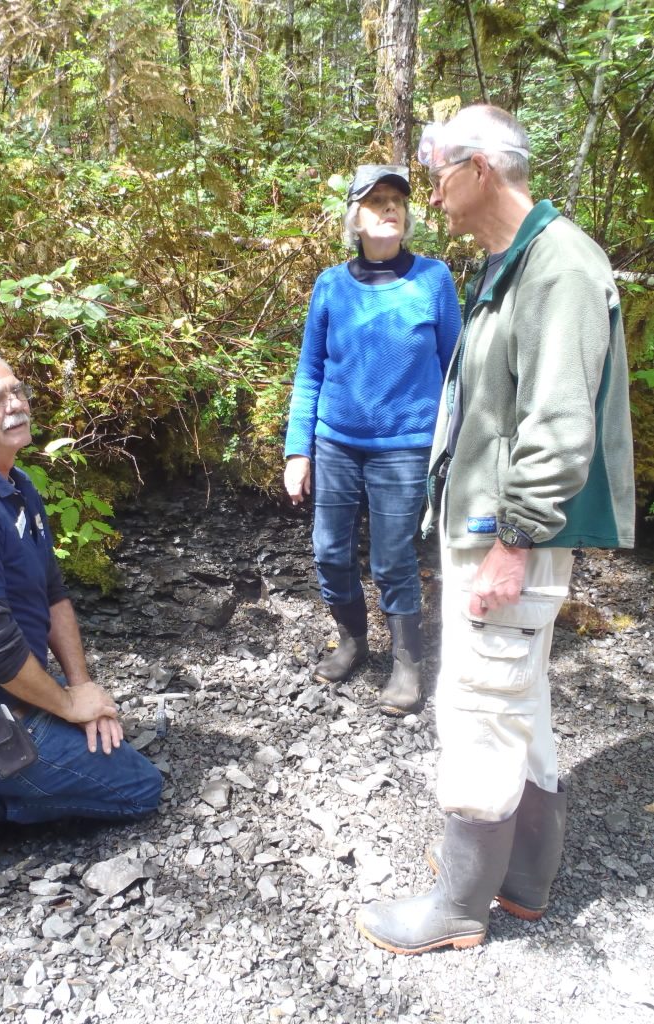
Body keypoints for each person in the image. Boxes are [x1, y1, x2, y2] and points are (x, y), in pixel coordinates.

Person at [356, 105, 635, 954]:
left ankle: (457, 907)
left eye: (437, 169)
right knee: (521, 705)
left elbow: (557, 428)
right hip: (494, 525)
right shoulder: (511, 265)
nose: (431, 190)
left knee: (478, 709)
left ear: (478, 168)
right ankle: (524, 881)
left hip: (512, 534)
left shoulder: (558, 269)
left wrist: (513, 542)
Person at [0, 352, 163, 864]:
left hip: (25, 696)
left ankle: (8, 768)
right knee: (142, 790)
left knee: (118, 751)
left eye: (17, 391)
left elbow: (53, 593)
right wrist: (68, 707)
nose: (15, 405)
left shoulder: (17, 486)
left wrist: (81, 685)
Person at [284, 164, 461, 715]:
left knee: (391, 562)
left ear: (408, 219)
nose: (389, 209)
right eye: (376, 201)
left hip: (406, 447)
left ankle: (408, 663)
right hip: (337, 442)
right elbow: (310, 370)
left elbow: (458, 371)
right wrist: (298, 449)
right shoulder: (331, 284)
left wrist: (456, 449)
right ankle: (354, 640)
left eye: (397, 202)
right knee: (330, 552)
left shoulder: (434, 280)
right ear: (354, 218)